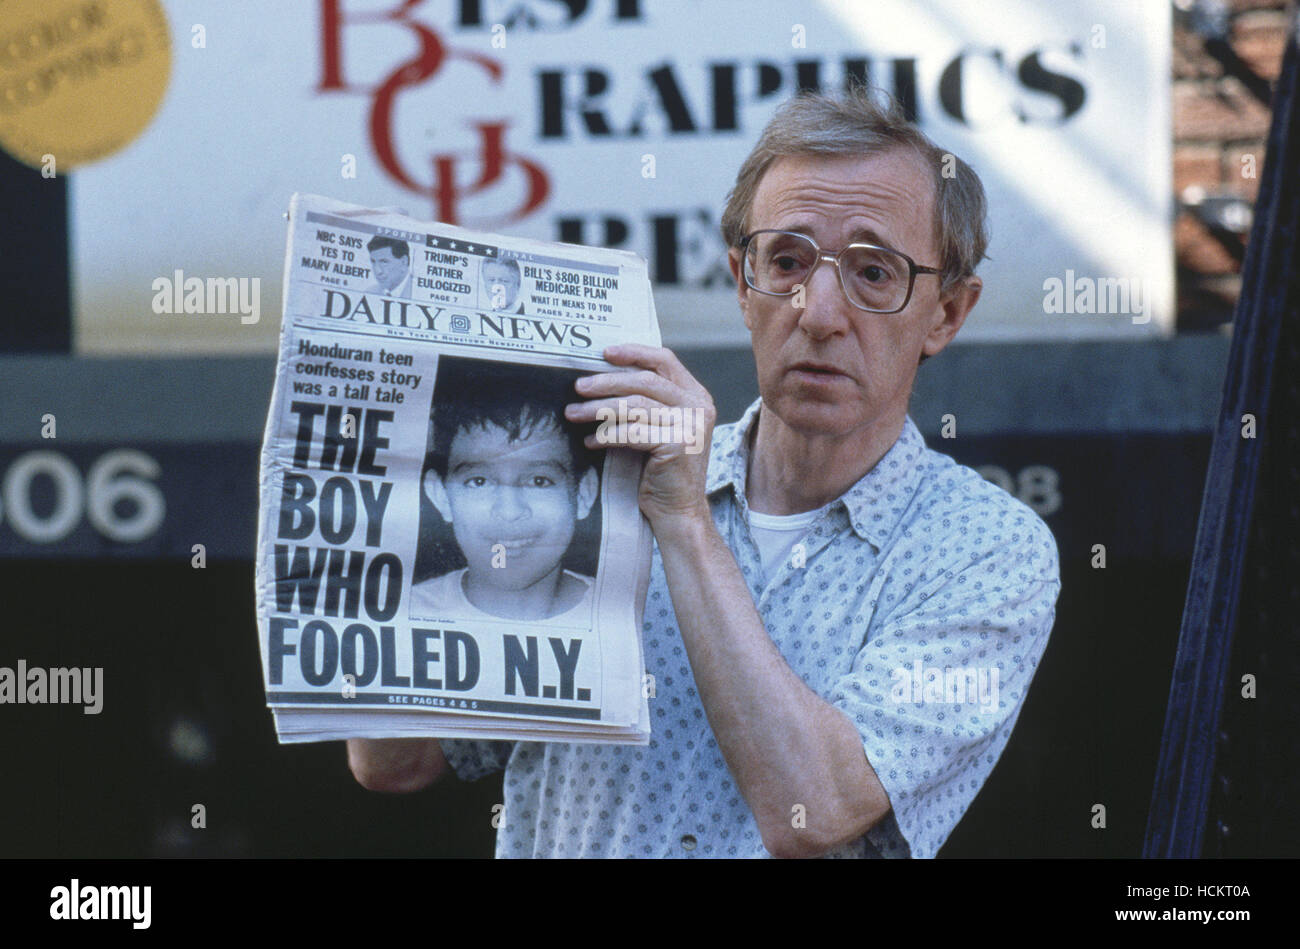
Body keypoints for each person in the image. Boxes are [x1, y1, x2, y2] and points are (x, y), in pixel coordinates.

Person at [348, 85, 1061, 859]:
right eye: (785, 261)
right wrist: (374, 520)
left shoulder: (988, 550)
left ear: (947, 314)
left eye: (874, 273)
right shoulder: (600, 479)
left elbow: (814, 805)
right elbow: (396, 760)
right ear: (741, 283)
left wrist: (684, 521)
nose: (819, 311)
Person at [409, 361, 600, 623]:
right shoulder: (407, 608)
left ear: (583, 493)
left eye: (539, 481)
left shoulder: (622, 610)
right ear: (440, 495)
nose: (509, 512)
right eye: (479, 482)